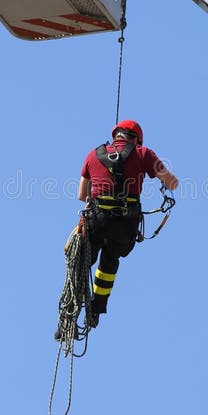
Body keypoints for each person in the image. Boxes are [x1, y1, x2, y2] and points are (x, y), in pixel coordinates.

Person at [78, 119, 178, 322]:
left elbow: (82, 195)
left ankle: (74, 303)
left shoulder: (93, 154)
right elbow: (172, 183)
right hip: (125, 225)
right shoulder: (144, 153)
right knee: (110, 260)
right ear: (137, 140)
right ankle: (97, 308)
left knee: (84, 260)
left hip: (97, 220)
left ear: (116, 135)